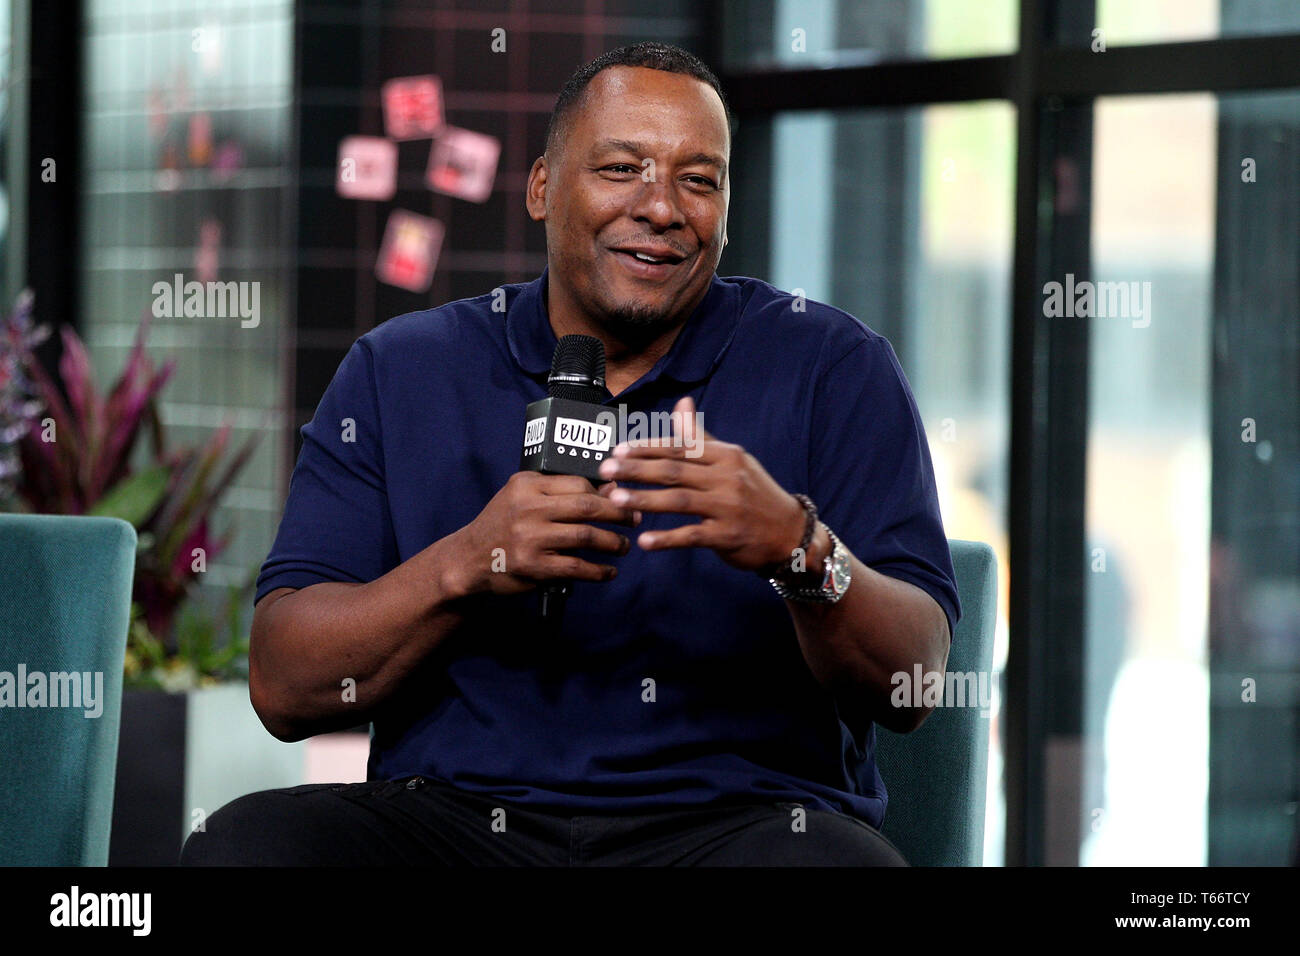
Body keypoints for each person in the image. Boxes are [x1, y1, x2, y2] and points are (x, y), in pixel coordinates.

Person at [180, 41, 959, 867]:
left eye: (700, 180)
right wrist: (465, 563)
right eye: (622, 169)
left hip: (739, 827)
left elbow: (915, 682)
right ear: (544, 187)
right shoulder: (401, 369)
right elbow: (284, 685)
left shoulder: (833, 366)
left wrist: (796, 548)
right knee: (246, 848)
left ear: (727, 212)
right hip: (458, 822)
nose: (662, 207)